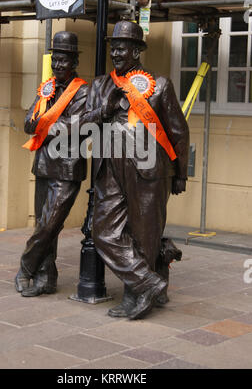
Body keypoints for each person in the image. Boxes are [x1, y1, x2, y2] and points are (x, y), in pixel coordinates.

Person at [82, 20, 189, 319]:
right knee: (103, 231)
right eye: (113, 48)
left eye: (123, 48)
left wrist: (181, 172)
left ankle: (138, 296)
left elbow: (179, 131)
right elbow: (84, 127)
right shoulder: (101, 85)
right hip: (110, 167)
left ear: (137, 52)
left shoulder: (160, 85)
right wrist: (105, 108)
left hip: (149, 169)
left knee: (145, 235)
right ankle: (150, 281)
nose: (116, 53)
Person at [15, 31, 88, 297]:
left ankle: (25, 268)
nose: (58, 65)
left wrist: (45, 126)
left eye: (64, 60)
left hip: (68, 168)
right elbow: (28, 123)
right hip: (44, 164)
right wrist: (48, 125)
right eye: (55, 60)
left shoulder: (82, 91)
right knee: (44, 226)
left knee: (50, 224)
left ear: (73, 62)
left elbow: (78, 126)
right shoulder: (46, 88)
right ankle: (46, 278)